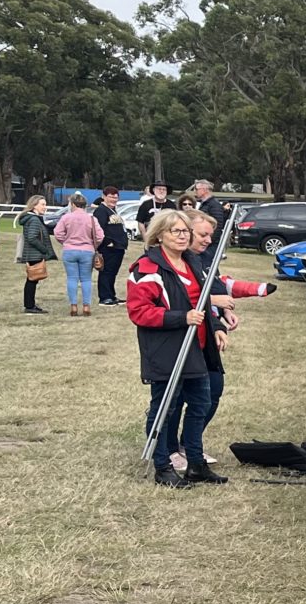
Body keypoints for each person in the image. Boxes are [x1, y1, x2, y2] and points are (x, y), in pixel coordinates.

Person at [126, 210, 217, 488]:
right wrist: (181, 317)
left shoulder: (193, 262)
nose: (182, 236)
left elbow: (207, 298)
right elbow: (139, 312)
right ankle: (163, 466)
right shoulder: (146, 268)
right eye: (175, 231)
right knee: (164, 407)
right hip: (166, 350)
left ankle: (196, 463)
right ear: (159, 235)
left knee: (201, 403)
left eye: (185, 231)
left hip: (196, 349)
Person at [184, 208, 276, 456]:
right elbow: (186, 299)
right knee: (180, 398)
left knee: (213, 391)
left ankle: (187, 443)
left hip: (208, 334)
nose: (207, 240)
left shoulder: (204, 258)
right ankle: (171, 447)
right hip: (184, 337)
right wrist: (215, 302)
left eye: (210, 236)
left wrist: (223, 315)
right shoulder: (178, 261)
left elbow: (214, 290)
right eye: (202, 235)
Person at [53, 191, 104, 315]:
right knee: (86, 279)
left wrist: (65, 241)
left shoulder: (66, 217)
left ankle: (74, 306)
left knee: (72, 278)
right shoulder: (91, 218)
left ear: (73, 204)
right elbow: (100, 235)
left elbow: (57, 233)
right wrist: (93, 244)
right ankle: (86, 306)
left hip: (70, 250)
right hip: (87, 251)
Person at [17, 196, 56, 315]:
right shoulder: (33, 219)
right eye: (42, 204)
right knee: (32, 280)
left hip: (33, 253)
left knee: (32, 280)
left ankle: (30, 304)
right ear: (34, 205)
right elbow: (32, 237)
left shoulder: (34, 218)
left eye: (45, 204)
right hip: (34, 254)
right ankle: (29, 306)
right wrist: (44, 250)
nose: (45, 207)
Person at [93, 186, 128, 305]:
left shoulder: (113, 210)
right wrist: (108, 242)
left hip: (119, 247)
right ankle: (104, 297)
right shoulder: (101, 210)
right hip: (109, 248)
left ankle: (111, 295)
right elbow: (99, 229)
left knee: (113, 272)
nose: (113, 199)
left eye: (115, 197)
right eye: (110, 196)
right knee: (106, 272)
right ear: (103, 197)